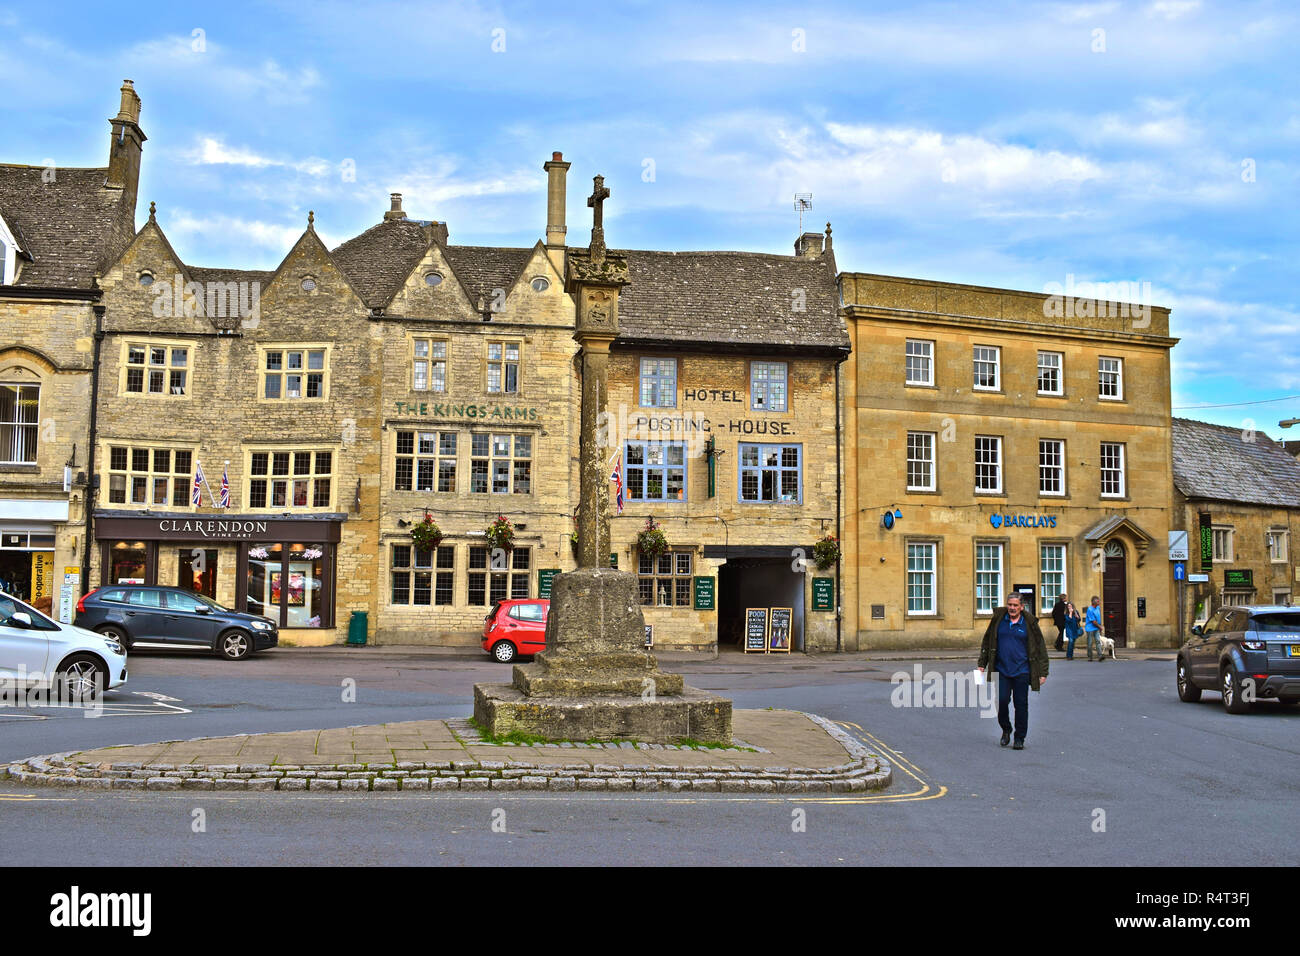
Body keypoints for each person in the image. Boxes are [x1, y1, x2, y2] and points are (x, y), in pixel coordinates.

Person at [977, 592, 1049, 750]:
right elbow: (987, 641)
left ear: (1022, 607)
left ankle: (1019, 738)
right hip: (1002, 670)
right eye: (1010, 604)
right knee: (1001, 702)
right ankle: (1006, 729)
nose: (1012, 608)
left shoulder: (1029, 624)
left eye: (1015, 605)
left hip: (1022, 671)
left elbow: (1041, 648)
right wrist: (982, 663)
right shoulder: (999, 621)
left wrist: (1043, 673)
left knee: (1021, 705)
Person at [1084, 595, 1104, 661]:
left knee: (1098, 641)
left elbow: (1098, 618)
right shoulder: (1089, 609)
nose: (1099, 602)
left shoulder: (1098, 607)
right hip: (1090, 628)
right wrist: (1100, 627)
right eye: (1098, 601)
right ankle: (1090, 657)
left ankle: (1100, 656)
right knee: (1090, 643)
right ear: (1093, 602)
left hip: (1096, 628)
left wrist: (1100, 626)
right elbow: (1094, 621)